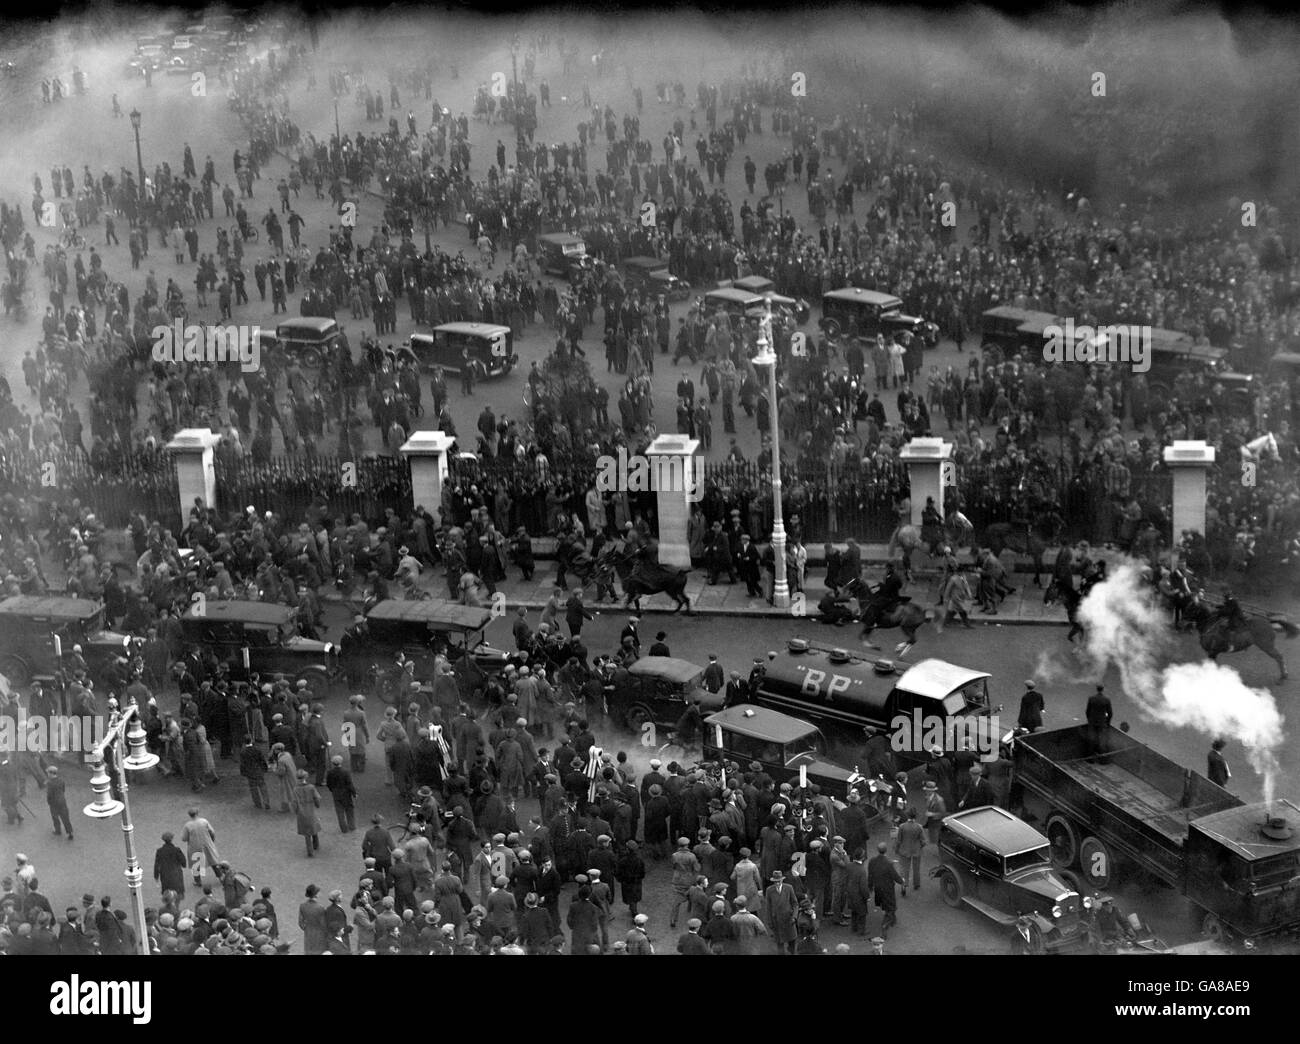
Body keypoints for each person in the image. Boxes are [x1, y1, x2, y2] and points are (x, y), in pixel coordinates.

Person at [867, 841, 904, 936]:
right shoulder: (888, 863)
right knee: (891, 907)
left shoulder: (872, 861)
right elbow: (894, 876)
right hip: (887, 889)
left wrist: (870, 886)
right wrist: (902, 881)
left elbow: (870, 875)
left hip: (878, 888)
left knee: (885, 905)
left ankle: (892, 920)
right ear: (886, 851)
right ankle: (885, 924)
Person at [181, 807, 221, 885]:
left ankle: (198, 881)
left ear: (190, 815)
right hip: (206, 844)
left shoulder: (187, 825)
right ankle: (220, 877)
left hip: (194, 847)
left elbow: (184, 838)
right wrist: (212, 841)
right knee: (213, 861)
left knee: (196, 864)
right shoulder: (204, 821)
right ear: (197, 813)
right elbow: (212, 832)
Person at [762, 868, 798, 954]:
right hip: (777, 921)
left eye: (779, 881)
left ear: (782, 880)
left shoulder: (789, 888)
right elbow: (768, 907)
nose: (777, 883)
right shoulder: (769, 890)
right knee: (780, 945)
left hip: (789, 920)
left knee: (792, 942)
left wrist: (794, 917)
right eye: (775, 881)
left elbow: (795, 904)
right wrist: (769, 921)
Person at [293, 769, 323, 857]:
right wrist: (317, 805)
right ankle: (316, 844)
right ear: (306, 777)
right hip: (311, 810)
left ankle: (310, 851)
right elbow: (317, 798)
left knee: (306, 833)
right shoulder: (311, 787)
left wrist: (296, 811)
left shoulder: (295, 789)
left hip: (301, 811)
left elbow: (294, 801)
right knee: (313, 827)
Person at [894, 808, 925, 892]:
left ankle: (904, 884)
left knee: (904, 869)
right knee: (916, 868)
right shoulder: (919, 827)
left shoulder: (902, 826)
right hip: (916, 851)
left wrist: (896, 849)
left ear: (907, 816)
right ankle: (916, 884)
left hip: (904, 850)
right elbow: (923, 841)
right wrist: (920, 847)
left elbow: (899, 840)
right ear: (915, 817)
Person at [325, 755, 358, 832]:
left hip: (336, 793)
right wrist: (354, 793)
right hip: (346, 793)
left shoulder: (330, 772)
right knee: (349, 810)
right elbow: (349, 783)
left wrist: (332, 790)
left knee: (339, 812)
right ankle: (352, 826)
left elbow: (328, 783)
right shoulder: (345, 772)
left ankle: (343, 828)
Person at [44, 766, 73, 840]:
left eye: (48, 773)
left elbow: (49, 794)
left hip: (54, 803)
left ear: (51, 773)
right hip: (62, 801)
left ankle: (58, 830)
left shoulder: (49, 783)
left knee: (55, 817)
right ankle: (70, 832)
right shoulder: (61, 780)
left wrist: (49, 801)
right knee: (65, 817)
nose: (47, 774)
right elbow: (63, 789)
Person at [1085, 684, 1113, 758]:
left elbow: (1087, 711)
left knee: (1091, 740)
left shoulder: (1091, 698)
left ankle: (1090, 759)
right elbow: (1110, 713)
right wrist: (1108, 723)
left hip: (1092, 722)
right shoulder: (1106, 700)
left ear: (1097, 689)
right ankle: (1102, 760)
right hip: (1102, 723)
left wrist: (1089, 720)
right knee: (1102, 741)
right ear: (1102, 689)